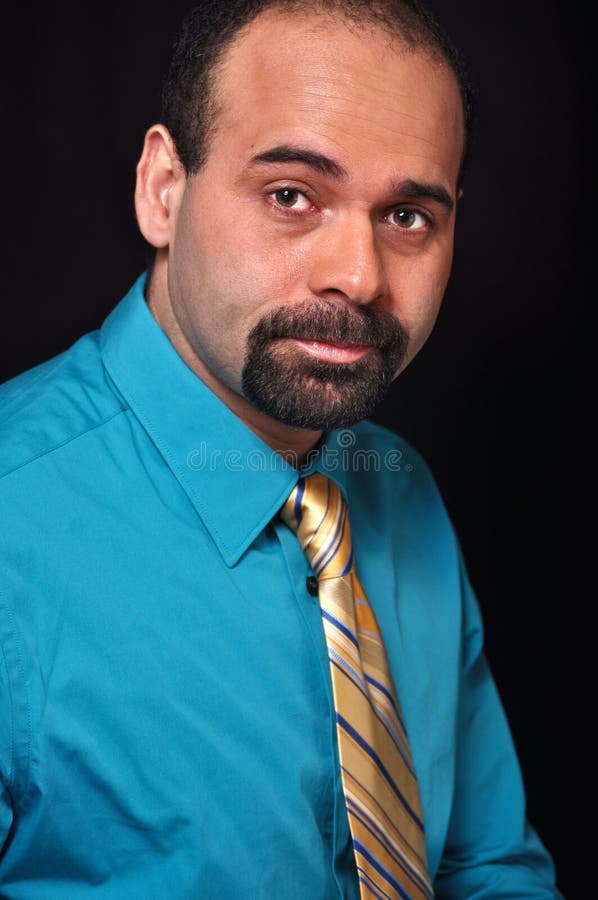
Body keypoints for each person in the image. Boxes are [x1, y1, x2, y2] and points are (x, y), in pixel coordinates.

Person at [0, 1, 562, 897]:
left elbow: (484, 864)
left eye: (409, 215)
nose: (361, 275)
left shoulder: (398, 490)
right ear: (162, 190)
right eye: (292, 195)